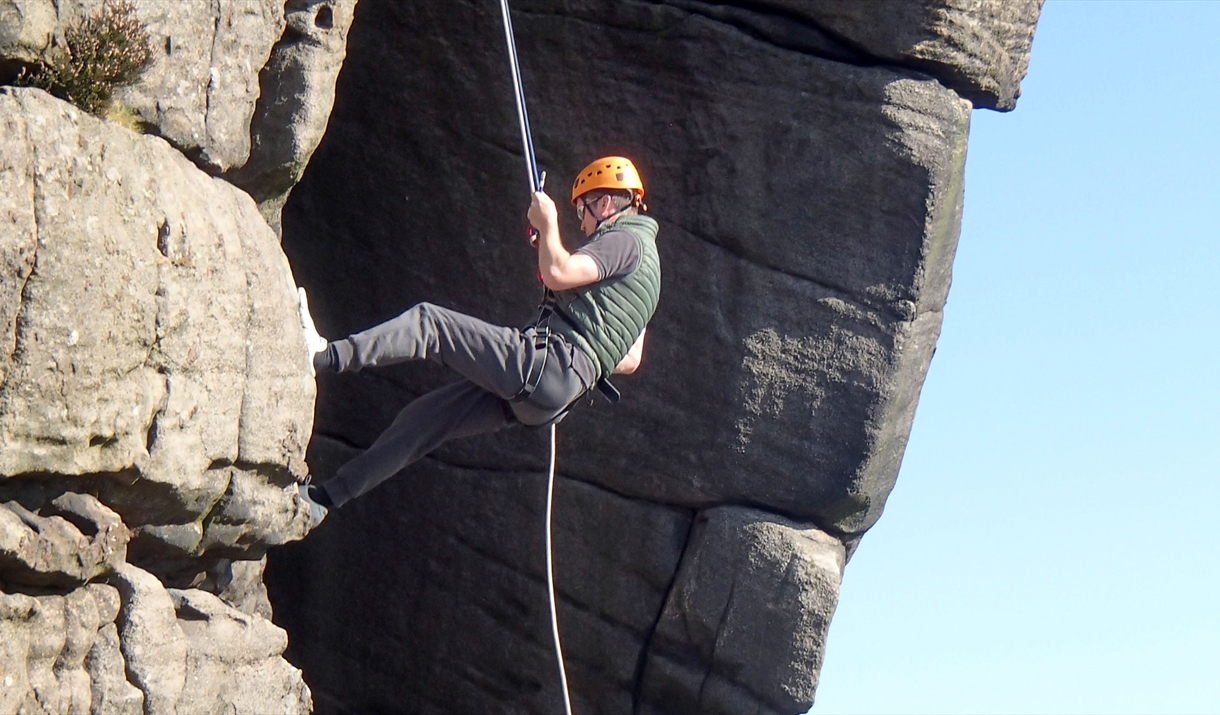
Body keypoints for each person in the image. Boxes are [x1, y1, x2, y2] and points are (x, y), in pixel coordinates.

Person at [295, 157, 661, 525]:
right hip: (557, 396)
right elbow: (630, 359)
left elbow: (559, 272)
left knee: (430, 324)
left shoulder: (623, 240)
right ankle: (324, 499)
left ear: (606, 204)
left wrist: (548, 225)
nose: (582, 223)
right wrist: (548, 252)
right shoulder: (649, 273)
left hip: (547, 366)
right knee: (425, 420)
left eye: (583, 209)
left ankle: (324, 357)